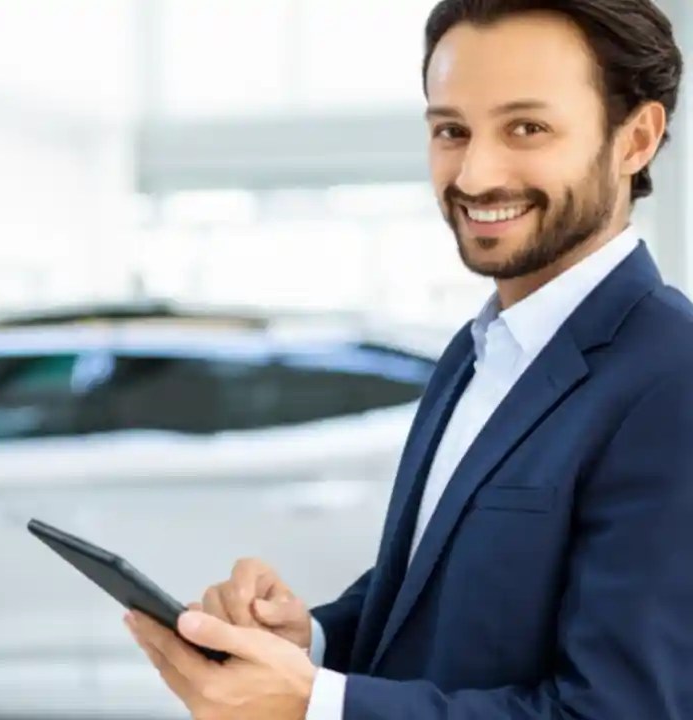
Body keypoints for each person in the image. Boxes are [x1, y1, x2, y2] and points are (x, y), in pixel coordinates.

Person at [125, 1, 693, 718]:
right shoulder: (478, 349)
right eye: (451, 131)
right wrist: (313, 642)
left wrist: (317, 707)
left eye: (527, 128)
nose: (477, 173)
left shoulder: (673, 378)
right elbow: (434, 596)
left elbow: (622, 709)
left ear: (635, 139)